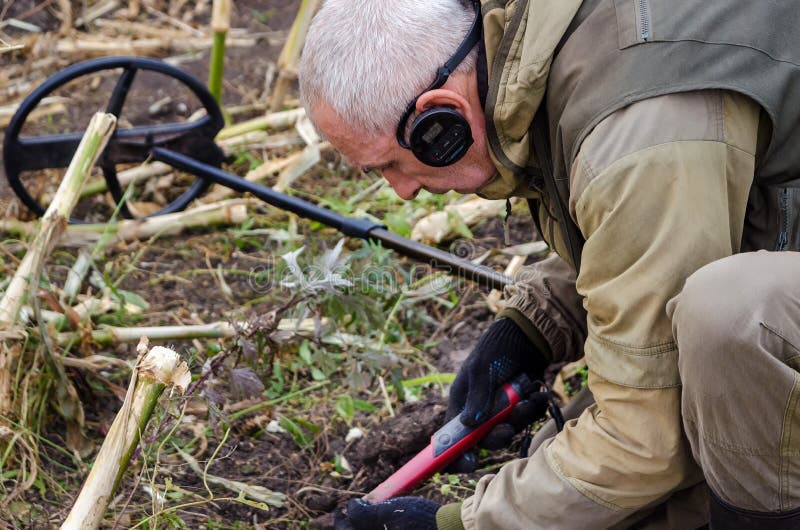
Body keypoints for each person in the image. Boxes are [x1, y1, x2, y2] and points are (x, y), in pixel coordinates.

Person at [298, 0, 800, 528]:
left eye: (392, 165)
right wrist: (535, 324)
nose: (401, 191)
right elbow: (650, 219)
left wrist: (457, 524)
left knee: (736, 315)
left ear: (440, 122)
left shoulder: (640, 133)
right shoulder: (533, 44)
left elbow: (644, 444)